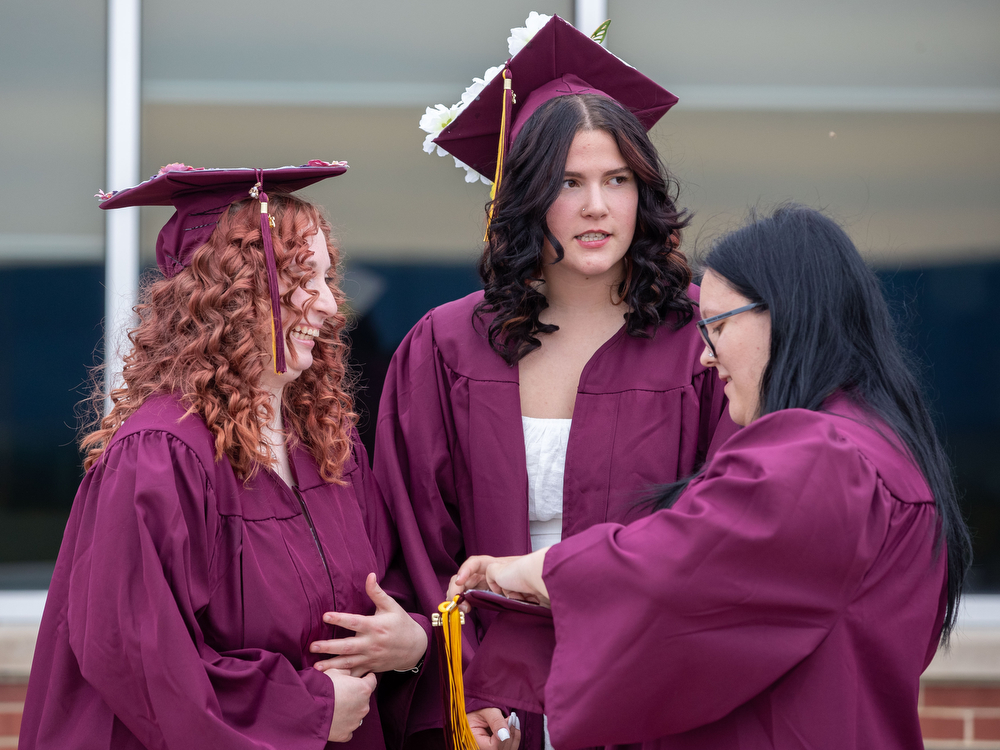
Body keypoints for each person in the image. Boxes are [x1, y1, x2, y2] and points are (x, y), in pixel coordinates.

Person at [455, 204, 973, 750]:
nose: (705, 355)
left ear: (786, 315)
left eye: (718, 326)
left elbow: (680, 568)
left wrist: (537, 572)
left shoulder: (826, 456)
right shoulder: (883, 448)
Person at [376, 13, 735, 750]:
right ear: (526, 197)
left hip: (657, 699)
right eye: (569, 183)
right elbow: (414, 546)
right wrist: (457, 681)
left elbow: (724, 531)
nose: (598, 206)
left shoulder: (702, 339)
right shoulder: (447, 348)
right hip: (488, 707)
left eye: (618, 180)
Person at [19, 163, 430, 750]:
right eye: (302, 280)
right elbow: (140, 658)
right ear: (234, 293)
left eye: (326, 279)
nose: (330, 307)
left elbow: (388, 582)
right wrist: (305, 710)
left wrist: (410, 639)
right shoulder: (161, 454)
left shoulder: (327, 443)